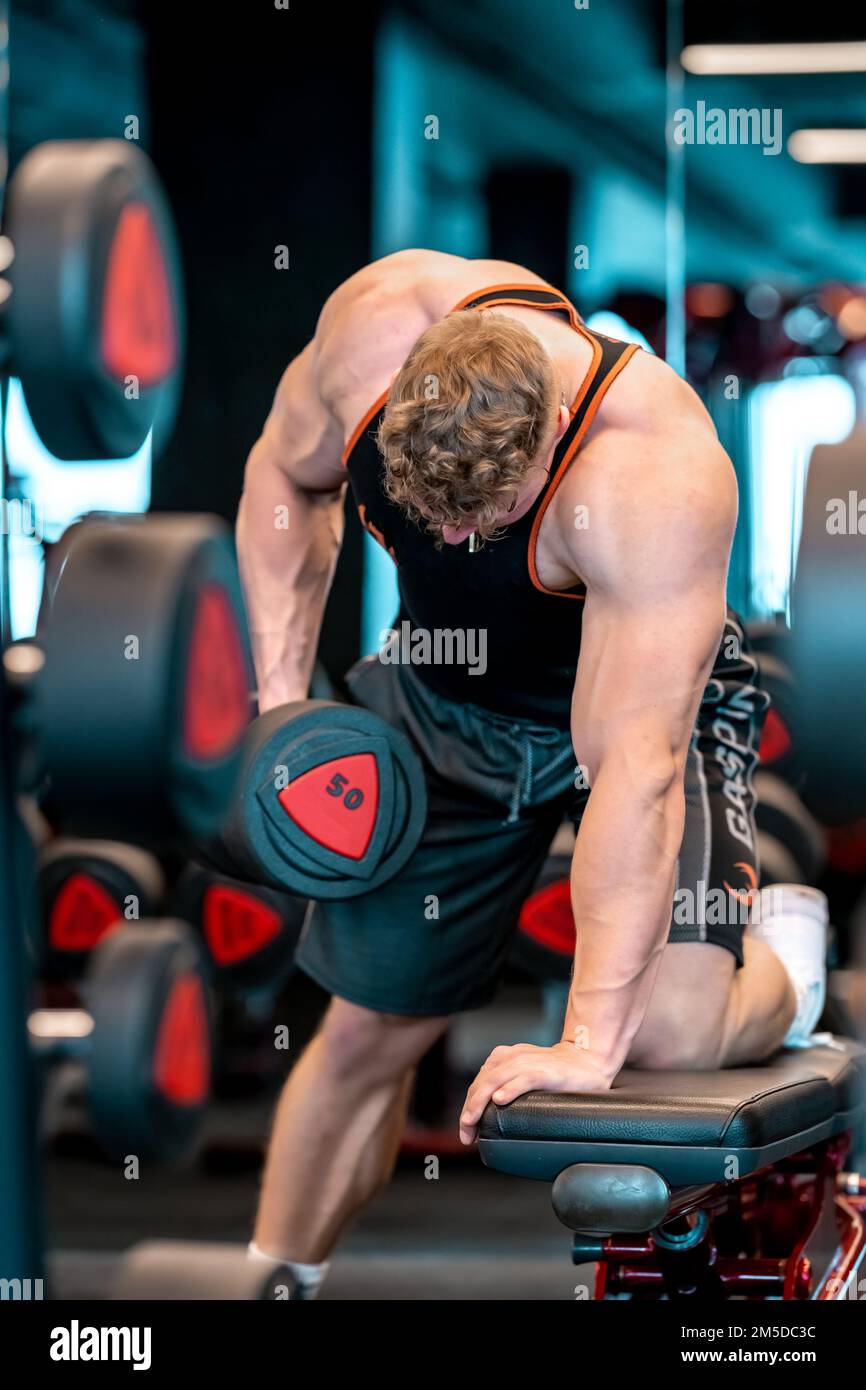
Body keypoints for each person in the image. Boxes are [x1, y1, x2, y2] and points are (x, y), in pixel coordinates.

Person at [237, 249, 823, 1298]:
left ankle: (787, 957)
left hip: (636, 708)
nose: (455, 539)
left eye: (481, 514)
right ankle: (277, 1276)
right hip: (442, 698)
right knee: (368, 1029)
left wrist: (589, 1037)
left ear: (551, 434)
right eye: (432, 515)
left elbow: (631, 772)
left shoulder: (651, 469)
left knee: (673, 1035)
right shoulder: (364, 335)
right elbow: (282, 475)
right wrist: (279, 699)